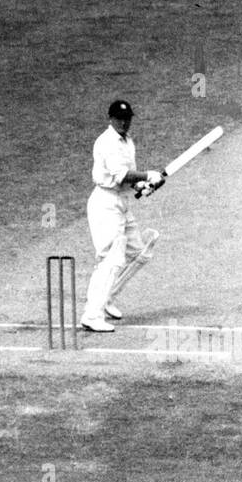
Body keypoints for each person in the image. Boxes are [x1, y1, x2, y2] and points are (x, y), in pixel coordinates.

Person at [79, 100, 165, 333]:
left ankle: (107, 299)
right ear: (111, 118)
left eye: (127, 118)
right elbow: (120, 174)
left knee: (140, 253)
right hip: (105, 204)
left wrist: (142, 186)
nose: (124, 122)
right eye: (119, 118)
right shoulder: (107, 142)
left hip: (121, 202)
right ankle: (92, 315)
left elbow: (128, 178)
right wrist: (149, 174)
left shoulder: (127, 142)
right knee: (110, 259)